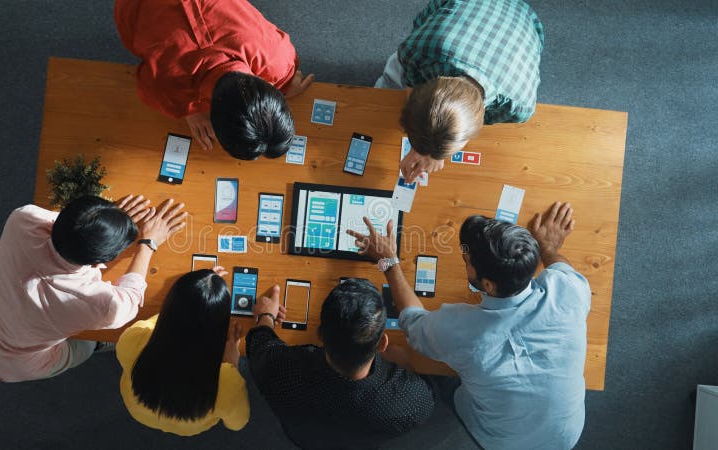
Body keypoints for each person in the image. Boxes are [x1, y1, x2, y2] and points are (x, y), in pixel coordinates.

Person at [348, 202, 590, 450]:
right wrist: (549, 248)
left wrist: (388, 262)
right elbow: (561, 267)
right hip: (565, 435)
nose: (465, 256)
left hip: (500, 440)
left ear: (488, 286)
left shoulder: (461, 331)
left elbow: (412, 322)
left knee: (426, 369)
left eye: (467, 259)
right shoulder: (570, 290)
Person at [0, 195, 186, 382]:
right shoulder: (98, 304)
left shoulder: (21, 219)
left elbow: (66, 225)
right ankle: (98, 345)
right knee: (88, 343)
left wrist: (104, 221)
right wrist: (148, 243)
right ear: (100, 261)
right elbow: (130, 299)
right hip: (14, 365)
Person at [246, 279, 435, 450]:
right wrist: (405, 363)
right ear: (382, 344)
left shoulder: (281, 371)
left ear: (319, 335)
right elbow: (427, 393)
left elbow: (259, 342)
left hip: (303, 438)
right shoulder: (412, 402)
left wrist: (266, 317)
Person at [114, 0, 314, 159]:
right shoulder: (167, 89)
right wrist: (188, 111)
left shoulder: (278, 59)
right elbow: (144, 81)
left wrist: (285, 86)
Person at [376, 0, 545, 183]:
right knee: (396, 73)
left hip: (525, 20)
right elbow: (411, 83)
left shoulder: (519, 107)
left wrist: (436, 155)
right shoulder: (417, 51)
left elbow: (463, 125)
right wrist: (421, 148)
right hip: (461, 17)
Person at [116, 268, 249, 435]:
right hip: (189, 427)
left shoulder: (132, 340)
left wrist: (190, 299)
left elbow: (161, 322)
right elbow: (236, 424)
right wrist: (232, 364)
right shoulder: (227, 381)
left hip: (138, 411)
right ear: (220, 326)